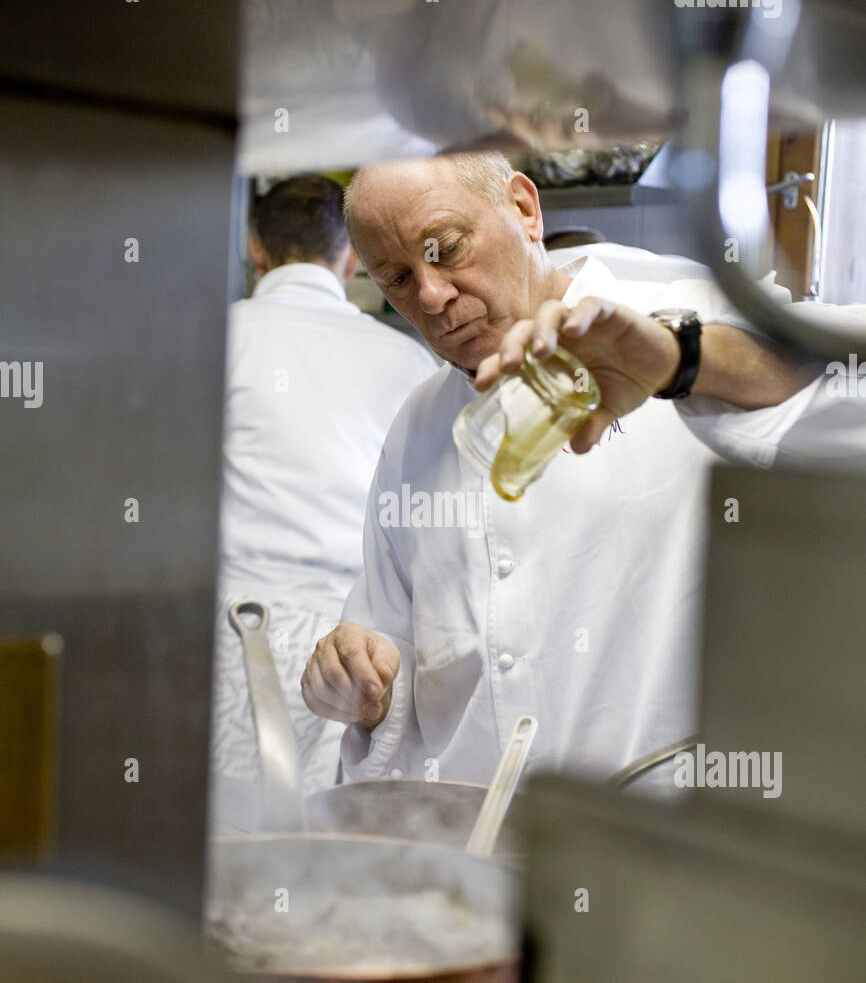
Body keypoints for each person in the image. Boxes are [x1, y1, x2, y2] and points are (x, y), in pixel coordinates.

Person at [300, 151, 863, 795]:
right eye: (396, 278)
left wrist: (685, 362)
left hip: (660, 833)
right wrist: (361, 684)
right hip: (472, 848)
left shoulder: (686, 322)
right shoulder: (418, 426)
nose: (430, 296)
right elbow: (386, 636)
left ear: (524, 208)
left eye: (448, 248)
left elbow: (848, 384)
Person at [209, 174, 435, 832]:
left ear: (256, 250)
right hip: (358, 651)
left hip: (233, 635)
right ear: (351, 259)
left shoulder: (218, 336)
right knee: (322, 852)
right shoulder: (409, 359)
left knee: (228, 855)